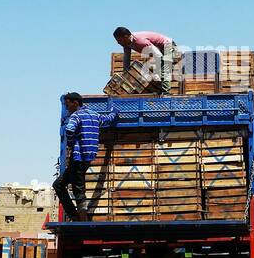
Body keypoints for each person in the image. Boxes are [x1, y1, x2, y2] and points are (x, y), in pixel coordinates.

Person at [54, 92, 116, 221]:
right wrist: (115, 112)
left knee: (78, 188)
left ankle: (80, 218)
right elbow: (108, 120)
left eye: (68, 104)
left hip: (78, 157)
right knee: (60, 184)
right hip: (88, 157)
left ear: (75, 103)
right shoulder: (94, 115)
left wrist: (70, 144)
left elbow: (69, 130)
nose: (67, 108)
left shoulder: (76, 116)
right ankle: (76, 215)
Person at [113, 26, 176, 92]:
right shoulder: (126, 44)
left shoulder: (140, 41)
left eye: (119, 40)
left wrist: (157, 72)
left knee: (164, 68)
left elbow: (157, 55)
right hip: (158, 50)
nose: (118, 42)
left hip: (168, 46)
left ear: (125, 37)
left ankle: (166, 93)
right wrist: (125, 73)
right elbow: (126, 58)